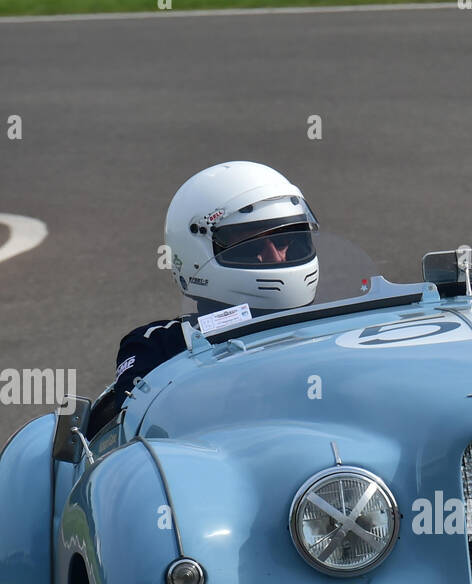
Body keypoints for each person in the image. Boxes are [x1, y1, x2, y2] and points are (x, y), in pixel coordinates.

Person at [91, 161, 320, 430]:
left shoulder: (336, 327)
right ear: (194, 255)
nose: (276, 257)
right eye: (251, 246)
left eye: (284, 241)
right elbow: (139, 429)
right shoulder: (158, 346)